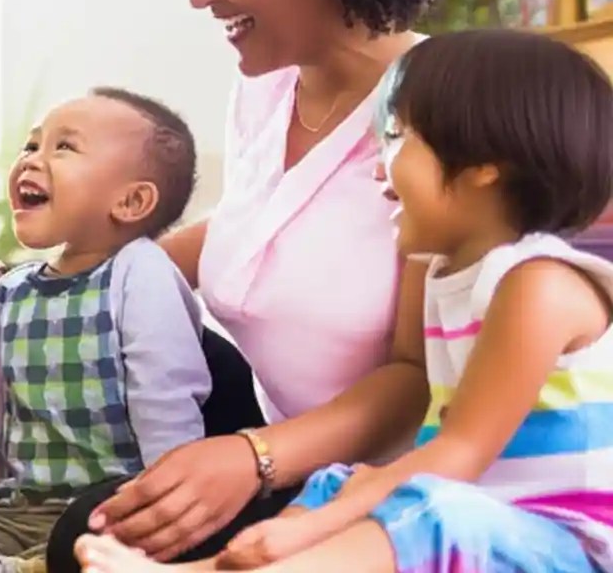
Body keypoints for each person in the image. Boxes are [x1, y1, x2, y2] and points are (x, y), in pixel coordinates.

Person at [47, 0, 475, 568]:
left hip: (372, 477)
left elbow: (412, 377)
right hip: (267, 435)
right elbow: (259, 226)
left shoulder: (438, 116)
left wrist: (254, 458)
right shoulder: (264, 92)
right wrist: (69, 280)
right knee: (97, 525)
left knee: (87, 542)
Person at [77, 29, 613, 572]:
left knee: (429, 510)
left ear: (483, 164)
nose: (380, 169)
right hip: (478, 517)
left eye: (399, 137)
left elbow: (460, 452)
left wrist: (309, 530)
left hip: (566, 540)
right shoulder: (444, 275)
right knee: (339, 482)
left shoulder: (537, 286)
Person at [0, 87, 212, 573]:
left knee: (94, 552)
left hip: (117, 507)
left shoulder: (139, 273)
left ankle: (39, 565)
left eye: (64, 147)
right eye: (32, 145)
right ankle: (23, 567)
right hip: (19, 514)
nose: (32, 159)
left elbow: (168, 406)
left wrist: (171, 512)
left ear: (131, 200)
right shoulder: (8, 295)